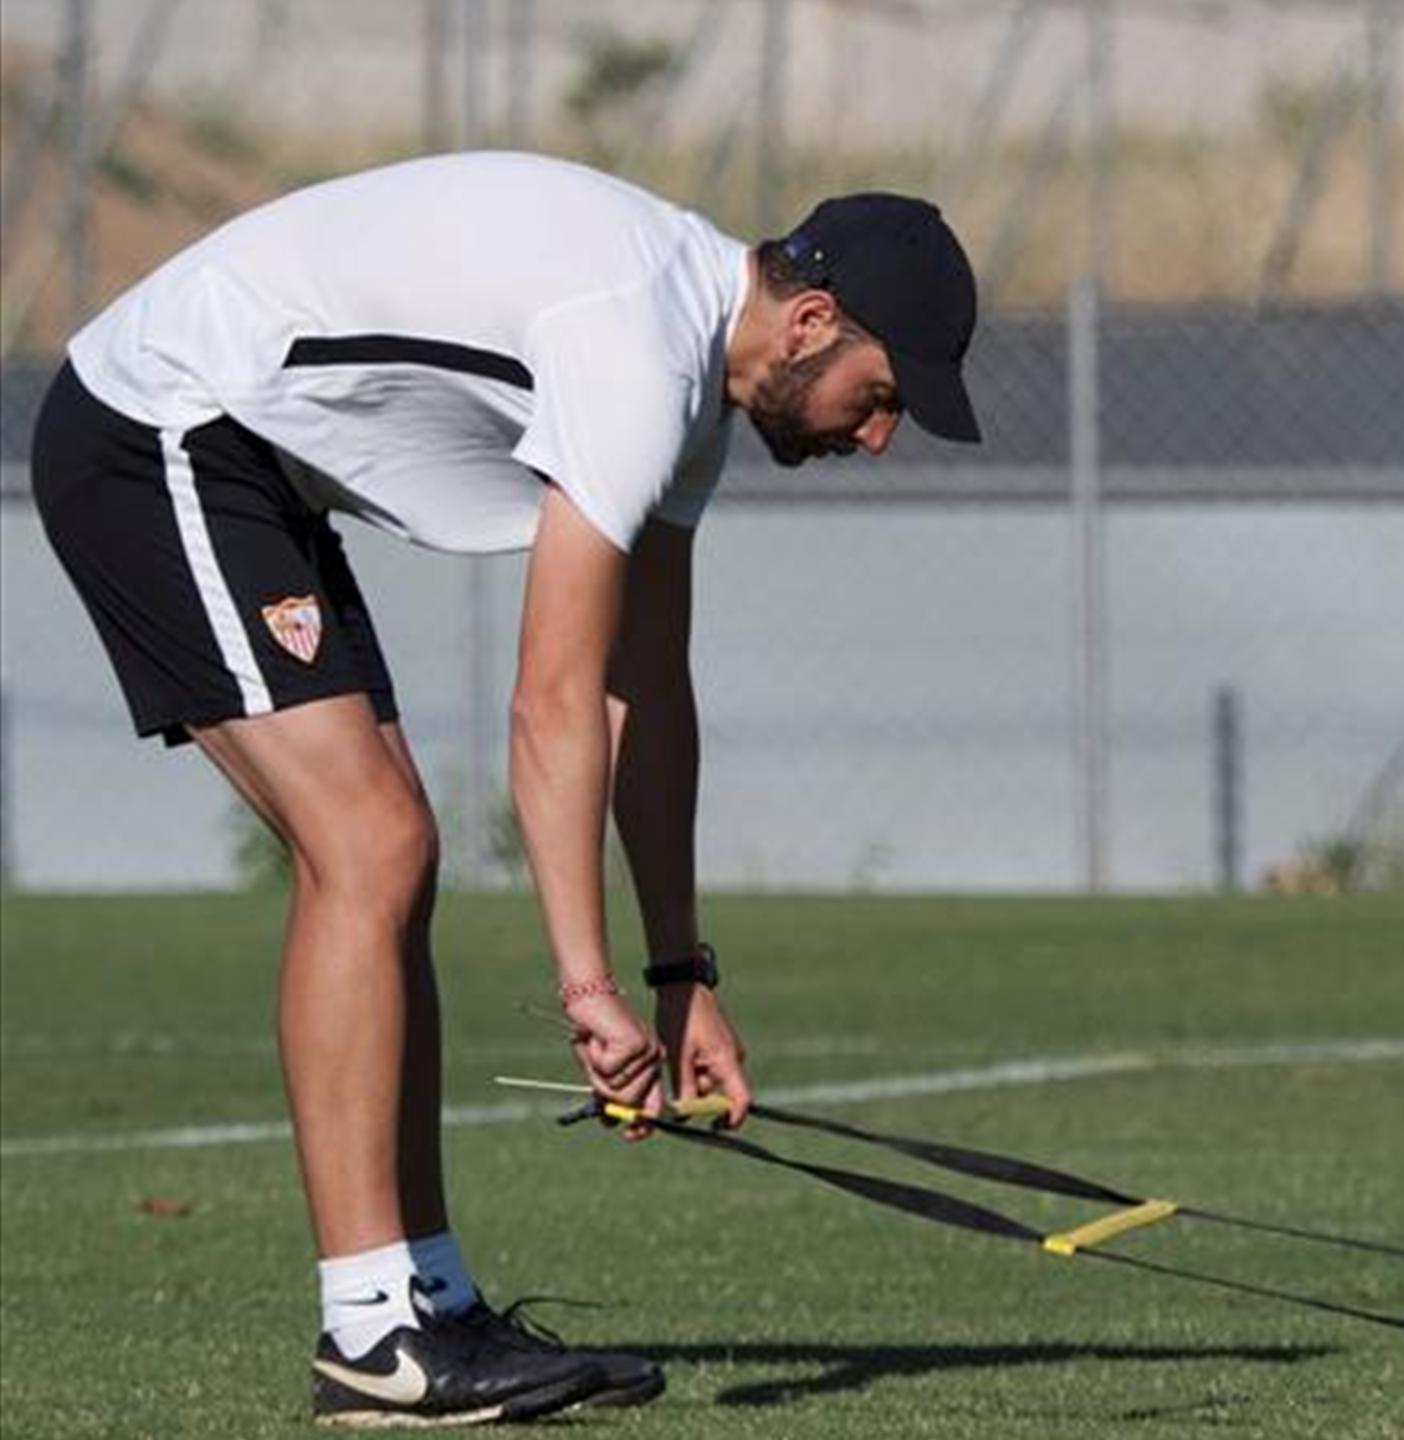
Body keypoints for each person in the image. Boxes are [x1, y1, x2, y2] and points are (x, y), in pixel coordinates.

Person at [28, 151, 982, 1426]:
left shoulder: (690, 387)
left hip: (251, 460)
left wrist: (679, 973)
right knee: (371, 845)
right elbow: (553, 701)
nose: (876, 434)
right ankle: (373, 1334)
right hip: (158, 427)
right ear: (811, 322)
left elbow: (647, 688)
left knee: (388, 853)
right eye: (882, 396)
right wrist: (587, 989)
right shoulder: (639, 351)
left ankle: (429, 1301)